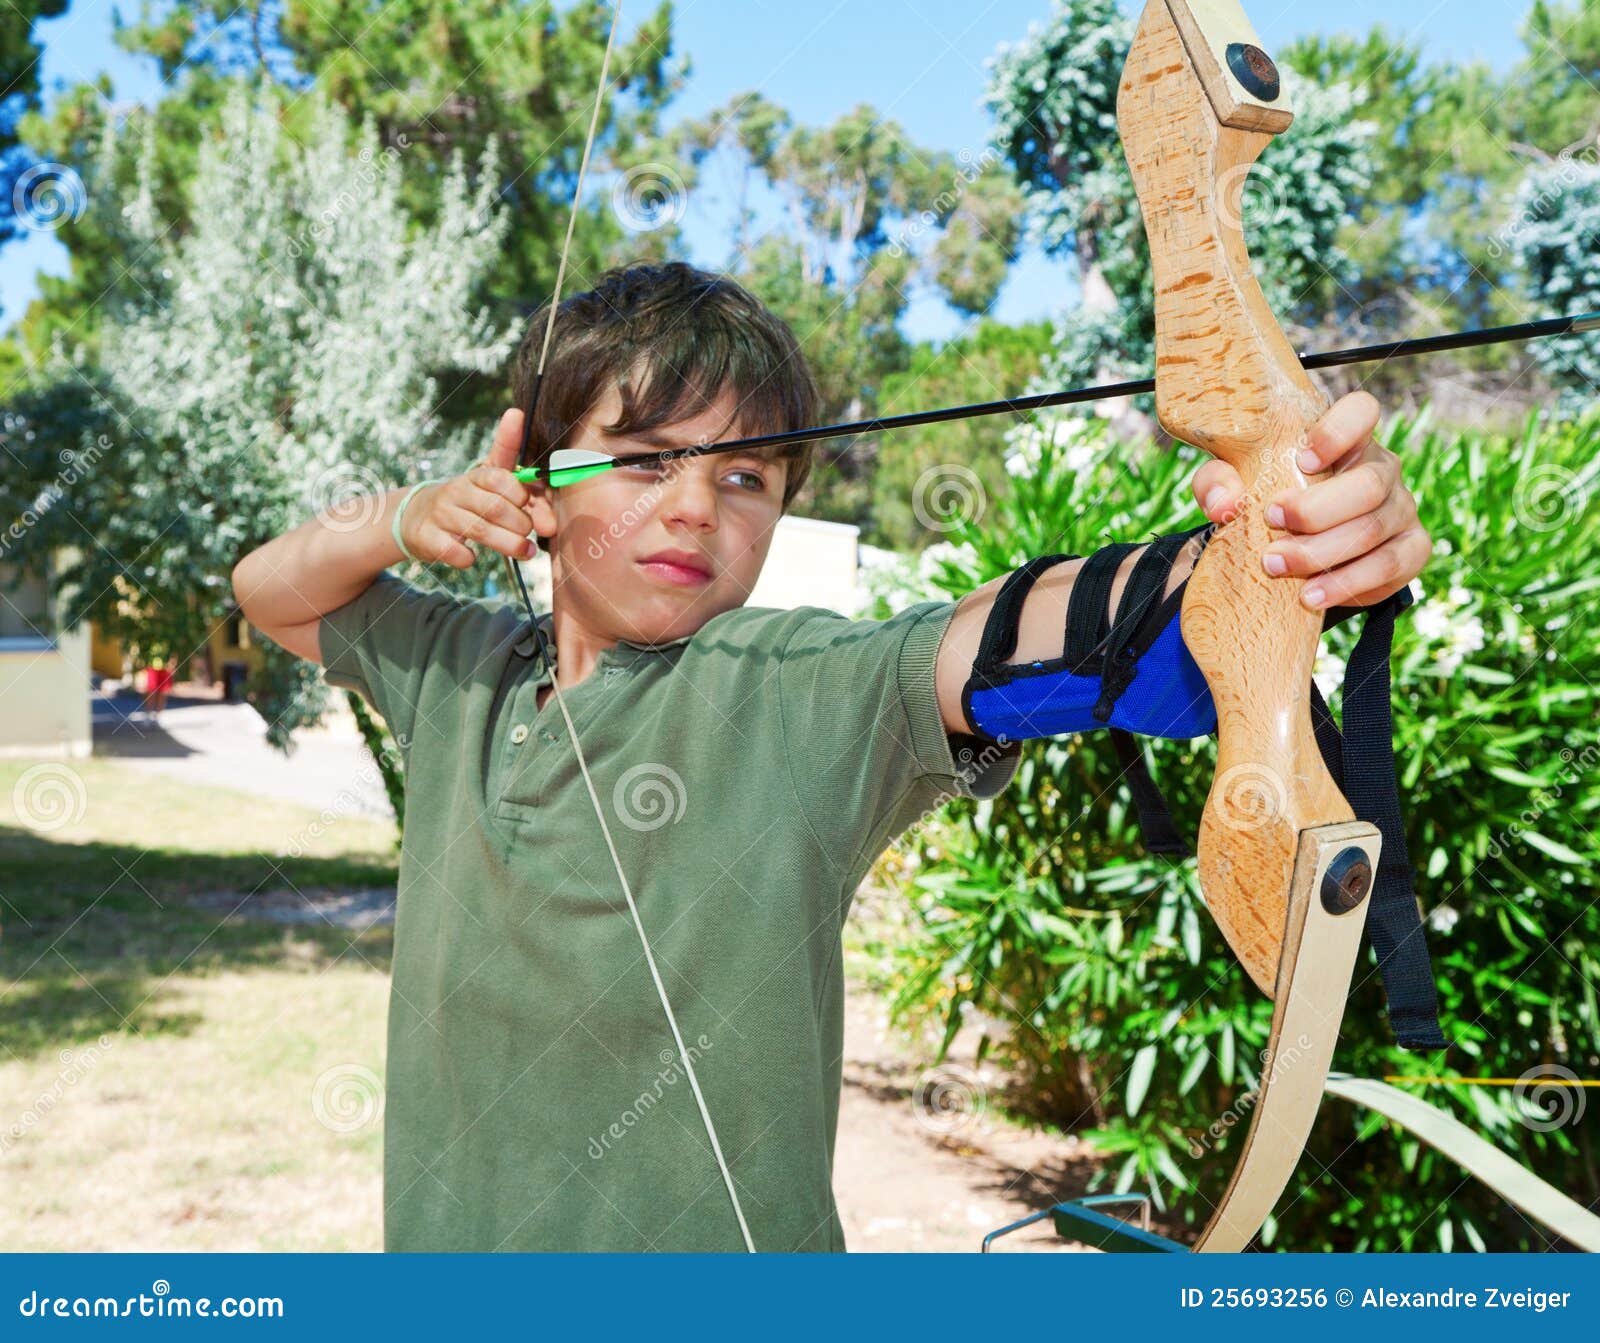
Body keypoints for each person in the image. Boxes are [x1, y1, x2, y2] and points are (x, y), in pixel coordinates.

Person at [231, 261, 1432, 1252]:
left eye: (745, 475)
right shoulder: (459, 670)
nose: (697, 505)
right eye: (647, 458)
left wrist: (1273, 548)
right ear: (537, 485)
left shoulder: (792, 684)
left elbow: (1023, 642)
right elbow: (268, 588)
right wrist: (400, 518)